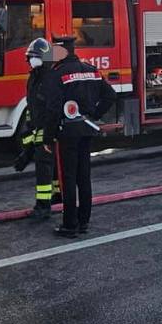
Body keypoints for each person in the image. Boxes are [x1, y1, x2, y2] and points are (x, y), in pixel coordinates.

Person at [44, 35, 116, 238]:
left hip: (67, 133)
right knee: (84, 177)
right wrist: (94, 114)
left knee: (68, 179)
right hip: (86, 129)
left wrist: (47, 138)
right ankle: (84, 222)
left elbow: (52, 109)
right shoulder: (90, 70)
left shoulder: (56, 74)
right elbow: (110, 96)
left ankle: (69, 225)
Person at [14, 38, 59, 219]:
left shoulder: (50, 79)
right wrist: (26, 152)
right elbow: (32, 108)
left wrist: (47, 138)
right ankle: (57, 198)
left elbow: (52, 111)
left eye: (32, 57)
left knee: (44, 168)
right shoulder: (34, 78)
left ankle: (43, 207)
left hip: (49, 131)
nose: (29, 61)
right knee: (50, 168)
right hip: (38, 129)